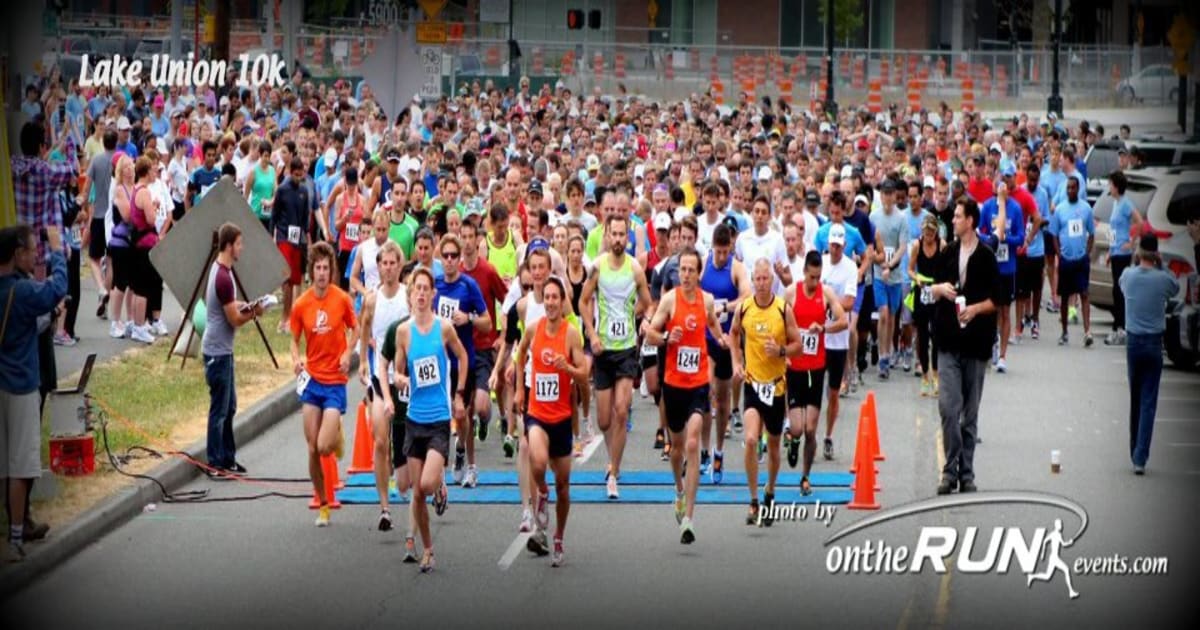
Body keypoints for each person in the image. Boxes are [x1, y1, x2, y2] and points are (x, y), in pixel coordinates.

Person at [386, 267, 469, 573]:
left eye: (426, 289)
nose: (421, 294)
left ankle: (441, 485)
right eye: (416, 289)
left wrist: (459, 393)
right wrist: (399, 379)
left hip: (438, 419)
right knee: (418, 493)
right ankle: (429, 550)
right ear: (411, 295)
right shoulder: (403, 332)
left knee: (427, 483)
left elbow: (462, 357)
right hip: (414, 419)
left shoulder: (443, 328)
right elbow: (397, 369)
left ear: (433, 295)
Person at [645, 247, 725, 544]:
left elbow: (714, 325)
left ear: (699, 273)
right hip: (673, 385)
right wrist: (666, 337)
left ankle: (689, 518)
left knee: (692, 443)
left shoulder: (706, 301)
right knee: (677, 448)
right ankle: (679, 490)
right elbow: (650, 333)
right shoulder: (670, 300)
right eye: (684, 270)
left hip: (698, 385)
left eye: (692, 270)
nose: (687, 275)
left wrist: (721, 339)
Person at [1, 225, 68, 562]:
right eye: (30, 250)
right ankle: (15, 536)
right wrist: (57, 250)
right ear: (16, 254)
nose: (34, 255)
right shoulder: (23, 291)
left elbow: (27, 323)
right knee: (20, 465)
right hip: (22, 384)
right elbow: (57, 288)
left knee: (3, 464)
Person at [514, 277, 588, 566]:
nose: (552, 302)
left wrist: (567, 367)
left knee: (564, 486)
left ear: (563, 300)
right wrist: (521, 388)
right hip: (537, 414)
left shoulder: (571, 334)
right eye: (547, 297)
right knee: (537, 460)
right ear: (543, 300)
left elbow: (583, 374)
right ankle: (541, 494)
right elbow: (520, 355)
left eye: (556, 297)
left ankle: (558, 537)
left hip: (561, 418)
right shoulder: (533, 329)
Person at [579, 214, 653, 500]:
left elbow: (648, 303)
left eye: (624, 235)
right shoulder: (597, 268)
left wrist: (642, 319)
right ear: (607, 236)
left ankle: (613, 470)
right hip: (603, 349)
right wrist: (592, 334)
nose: (619, 239)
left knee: (622, 410)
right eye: (615, 234)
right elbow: (583, 301)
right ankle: (613, 459)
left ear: (628, 238)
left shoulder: (635, 269)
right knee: (605, 420)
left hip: (625, 349)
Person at [929, 198, 999, 495]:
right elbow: (929, 287)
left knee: (969, 413)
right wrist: (939, 289)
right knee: (948, 407)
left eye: (957, 216)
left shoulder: (986, 256)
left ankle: (965, 473)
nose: (953, 220)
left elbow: (997, 301)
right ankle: (949, 470)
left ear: (970, 221)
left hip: (976, 344)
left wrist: (975, 309)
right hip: (947, 341)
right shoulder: (947, 253)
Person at [732, 258, 806, 524]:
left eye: (766, 279)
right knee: (751, 439)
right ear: (752, 280)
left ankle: (770, 492)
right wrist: (736, 361)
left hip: (776, 387)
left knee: (774, 447)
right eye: (758, 279)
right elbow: (732, 335)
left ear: (772, 281)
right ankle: (753, 501)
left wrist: (782, 351)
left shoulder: (783, 309)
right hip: (753, 384)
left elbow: (798, 344)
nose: (762, 284)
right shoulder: (744, 308)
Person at [290, 242, 359, 527]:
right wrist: (296, 360)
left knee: (323, 446)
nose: (321, 273)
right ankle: (323, 504)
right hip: (312, 381)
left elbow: (355, 329)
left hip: (334, 382)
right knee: (312, 448)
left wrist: (347, 353)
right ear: (311, 271)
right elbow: (294, 340)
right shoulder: (301, 304)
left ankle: (336, 435)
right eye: (317, 268)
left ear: (331, 271)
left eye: (325, 268)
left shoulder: (341, 299)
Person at [200, 223, 265, 477]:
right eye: (238, 244)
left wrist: (246, 305)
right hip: (217, 352)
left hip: (223, 350)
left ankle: (227, 458)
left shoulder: (221, 270)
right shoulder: (223, 277)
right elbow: (234, 319)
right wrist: (254, 313)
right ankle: (214, 462)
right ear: (228, 246)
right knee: (219, 409)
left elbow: (228, 305)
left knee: (230, 407)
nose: (241, 248)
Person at [358, 240, 410, 533]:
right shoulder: (372, 298)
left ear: (399, 266)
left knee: (405, 476)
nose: (388, 268)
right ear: (377, 266)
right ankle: (384, 508)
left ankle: (421, 480)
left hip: (404, 383)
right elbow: (365, 326)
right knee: (380, 441)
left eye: (392, 263)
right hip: (380, 379)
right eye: (383, 263)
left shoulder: (407, 297)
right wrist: (364, 360)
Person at [433, 234, 490, 487]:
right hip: (440, 364)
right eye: (444, 256)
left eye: (453, 256)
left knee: (464, 413)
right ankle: (449, 458)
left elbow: (488, 323)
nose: (449, 260)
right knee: (444, 417)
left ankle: (471, 464)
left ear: (459, 259)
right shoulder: (434, 287)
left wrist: (469, 319)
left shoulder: (468, 286)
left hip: (464, 360)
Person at [1120, 235, 1179, 475]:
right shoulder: (1162, 279)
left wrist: (1137, 260)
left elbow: (1124, 284)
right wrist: (1161, 264)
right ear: (1155, 254)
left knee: (1135, 397)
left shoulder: (1128, 275)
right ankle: (1140, 456)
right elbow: (1175, 287)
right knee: (1148, 401)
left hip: (1133, 342)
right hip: (1154, 343)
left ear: (1138, 252)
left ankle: (1134, 447)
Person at [697, 223, 750, 481]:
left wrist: (725, 308)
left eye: (724, 252)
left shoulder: (736, 268)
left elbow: (746, 297)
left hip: (728, 341)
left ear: (730, 248)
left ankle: (718, 451)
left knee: (722, 398)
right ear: (712, 249)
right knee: (706, 390)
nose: (720, 257)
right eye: (717, 252)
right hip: (708, 338)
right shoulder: (704, 265)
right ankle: (705, 450)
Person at [1048, 178, 1095, 347]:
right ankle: (1064, 332)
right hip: (1066, 259)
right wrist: (1059, 254)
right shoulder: (1060, 210)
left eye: (1073, 188)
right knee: (1065, 295)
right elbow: (1053, 234)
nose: (1070, 191)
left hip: (1081, 259)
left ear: (1078, 189)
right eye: (1068, 188)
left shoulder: (1086, 209)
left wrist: (1087, 253)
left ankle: (1087, 331)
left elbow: (1091, 233)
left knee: (1084, 293)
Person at [1104, 171, 1142, 346]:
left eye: (1110, 184)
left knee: (1120, 291)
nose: (1108, 187)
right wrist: (1109, 252)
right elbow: (1113, 230)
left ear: (1117, 186)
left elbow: (1139, 222)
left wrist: (1132, 243)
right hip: (1115, 252)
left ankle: (1121, 327)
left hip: (1123, 252)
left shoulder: (1126, 203)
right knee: (1115, 291)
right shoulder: (1115, 203)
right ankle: (1119, 325)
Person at [910, 215, 944, 397]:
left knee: (937, 335)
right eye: (926, 233)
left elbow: (947, 267)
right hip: (922, 292)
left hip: (936, 292)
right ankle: (924, 375)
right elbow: (910, 269)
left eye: (931, 233)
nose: (928, 236)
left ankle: (937, 375)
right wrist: (917, 279)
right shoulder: (917, 246)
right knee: (922, 336)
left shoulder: (942, 245)